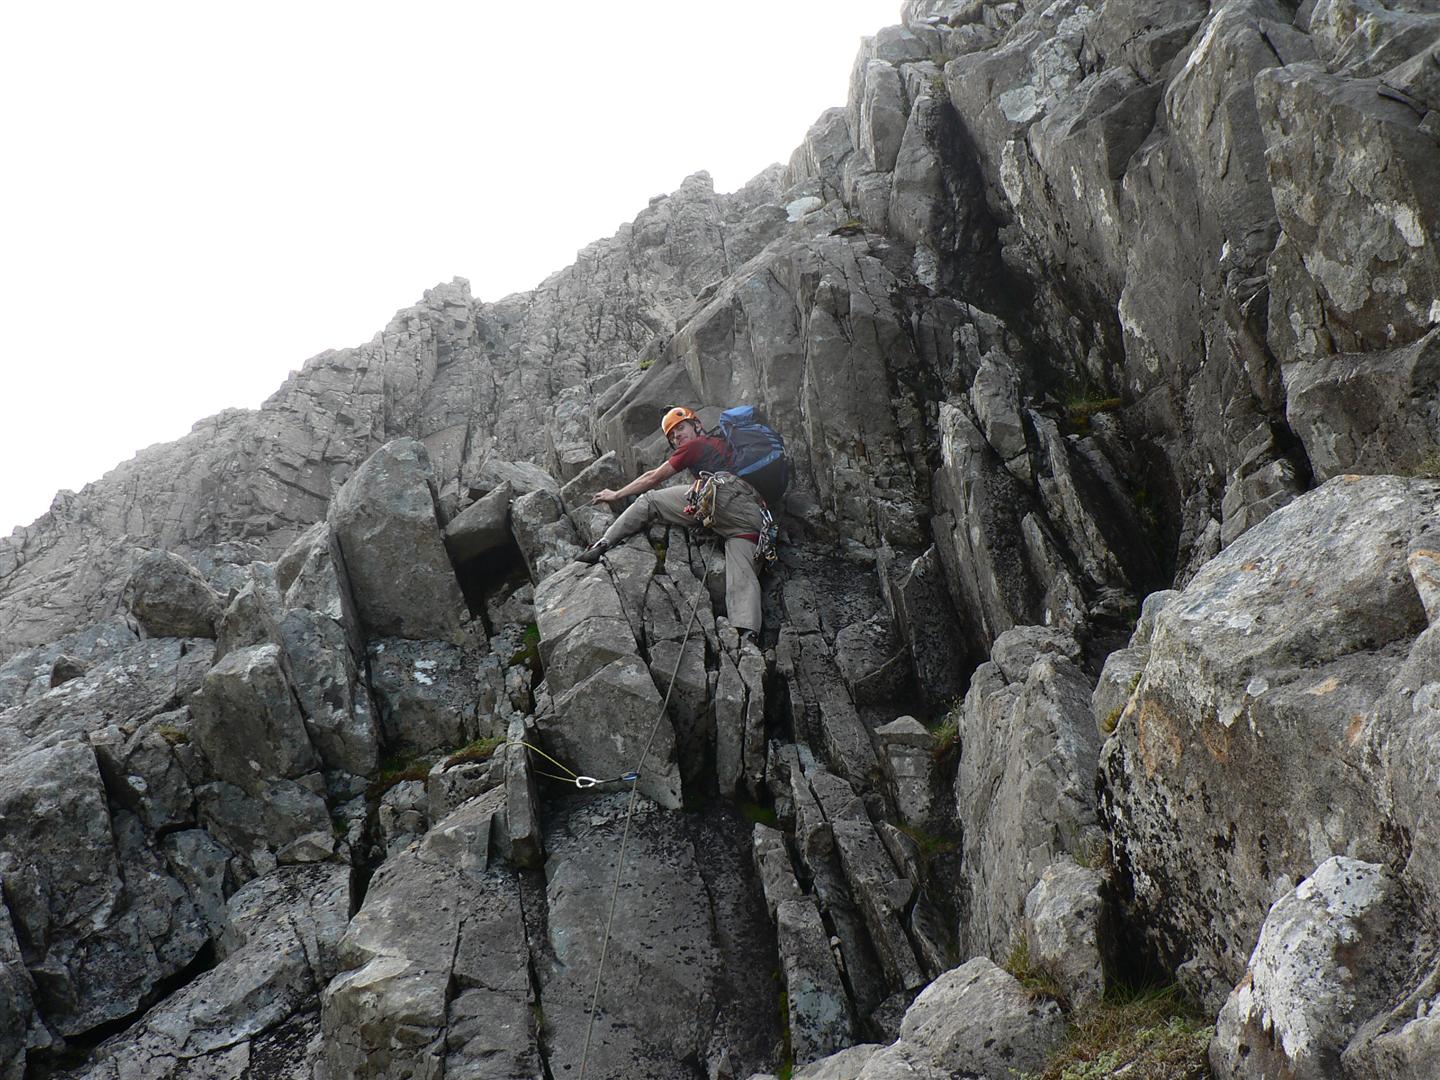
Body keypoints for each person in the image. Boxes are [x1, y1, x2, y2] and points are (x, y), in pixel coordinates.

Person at [576, 406, 766, 640]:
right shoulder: (724, 447)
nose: (678, 436)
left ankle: (603, 543)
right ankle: (747, 632)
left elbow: (653, 477)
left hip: (723, 497)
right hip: (754, 517)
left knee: (650, 500)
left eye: (681, 428)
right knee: (742, 571)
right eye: (673, 436)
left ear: (697, 426)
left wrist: (616, 494)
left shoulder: (696, 446)